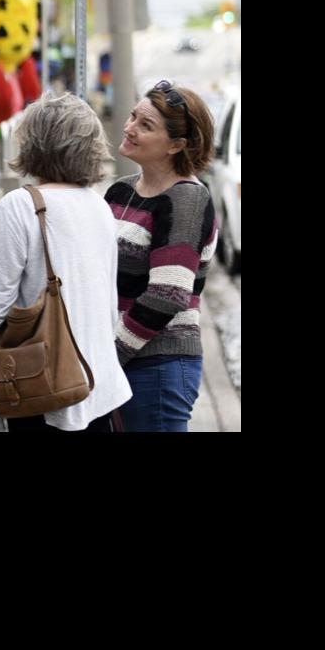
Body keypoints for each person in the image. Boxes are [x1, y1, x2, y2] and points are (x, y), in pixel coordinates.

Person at [0, 93, 130, 432]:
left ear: (33, 143)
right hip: (99, 386)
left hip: (44, 387)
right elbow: (107, 302)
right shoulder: (98, 205)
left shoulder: (20, 206)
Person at [104, 80, 219, 432]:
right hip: (122, 362)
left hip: (159, 365)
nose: (129, 128)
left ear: (177, 145)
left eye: (145, 125)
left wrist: (111, 354)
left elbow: (168, 294)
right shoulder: (120, 191)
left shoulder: (186, 199)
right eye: (133, 116)